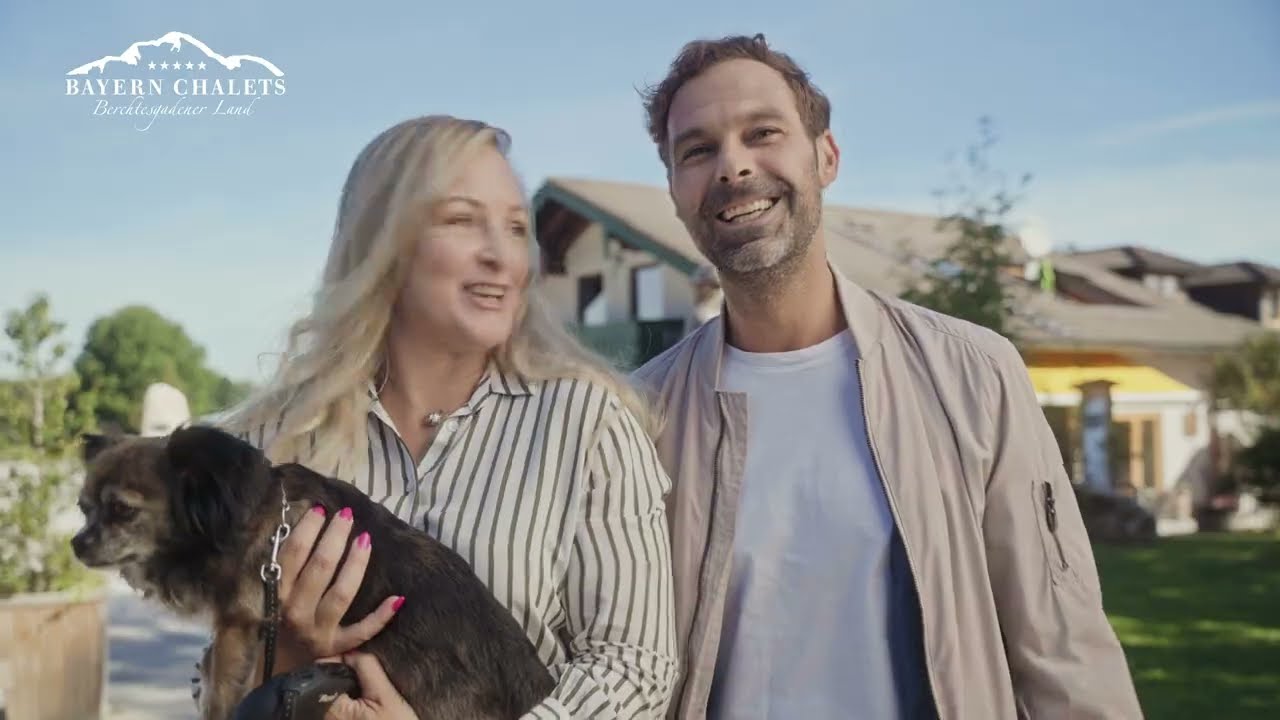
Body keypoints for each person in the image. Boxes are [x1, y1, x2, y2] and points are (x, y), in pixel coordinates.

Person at [631, 34, 1143, 720]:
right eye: (698, 150)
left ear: (826, 157)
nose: (733, 166)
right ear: (674, 190)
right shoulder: (641, 417)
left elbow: (1061, 646)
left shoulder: (972, 374)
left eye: (764, 133)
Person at [195, 115, 678, 719]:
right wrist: (286, 656)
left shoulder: (587, 423)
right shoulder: (274, 442)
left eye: (516, 228)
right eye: (460, 220)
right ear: (384, 244)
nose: (501, 255)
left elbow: (635, 667)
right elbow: (211, 687)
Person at [683, 265, 723, 336]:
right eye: (696, 286)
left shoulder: (703, 316)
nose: (696, 291)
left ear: (714, 287)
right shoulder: (698, 313)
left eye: (700, 286)